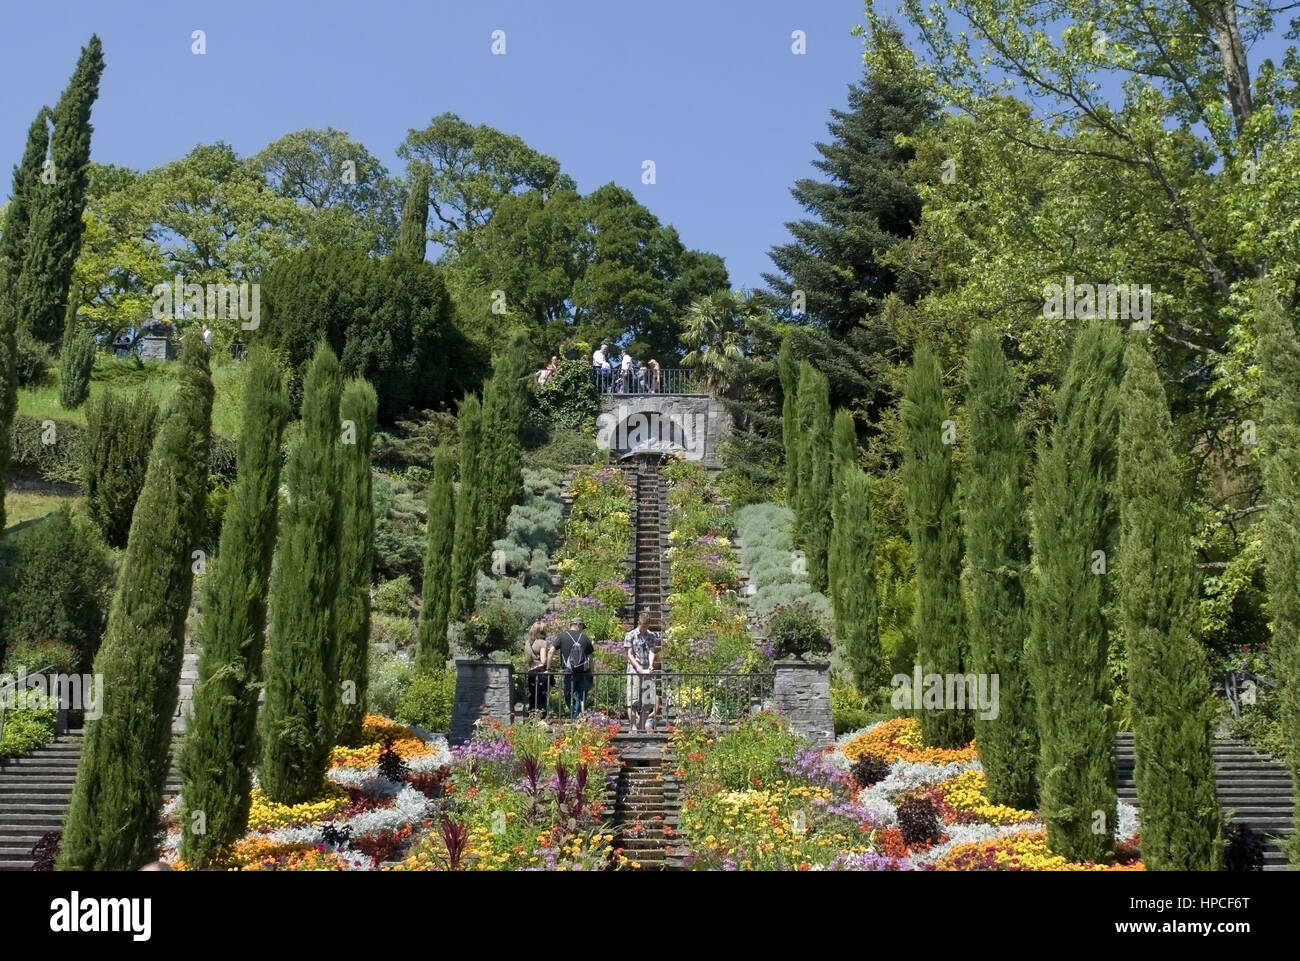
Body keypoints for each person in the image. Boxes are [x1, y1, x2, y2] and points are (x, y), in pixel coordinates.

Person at [552, 618, 594, 720]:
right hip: (583, 673)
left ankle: (574, 717)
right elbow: (591, 658)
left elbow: (550, 651)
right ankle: (576, 718)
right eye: (582, 627)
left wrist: (548, 668)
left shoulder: (562, 636)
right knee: (581, 697)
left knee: (568, 696)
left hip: (568, 672)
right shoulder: (585, 638)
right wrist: (592, 674)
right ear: (578, 624)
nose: (582, 630)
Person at [624, 612, 659, 733]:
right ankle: (633, 726)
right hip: (634, 670)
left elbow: (652, 651)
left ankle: (643, 725)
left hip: (646, 670)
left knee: (646, 700)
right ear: (639, 623)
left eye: (646, 626)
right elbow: (629, 653)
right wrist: (637, 667)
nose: (644, 628)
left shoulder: (651, 635)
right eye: (642, 625)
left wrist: (650, 665)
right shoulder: (631, 635)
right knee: (632, 700)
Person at [524, 621, 553, 715]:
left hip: (531, 671)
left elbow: (527, 659)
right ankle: (541, 718)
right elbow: (543, 660)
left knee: (533, 696)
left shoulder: (527, 643)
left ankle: (532, 717)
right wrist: (550, 658)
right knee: (542, 696)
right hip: (540, 672)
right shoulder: (542, 643)